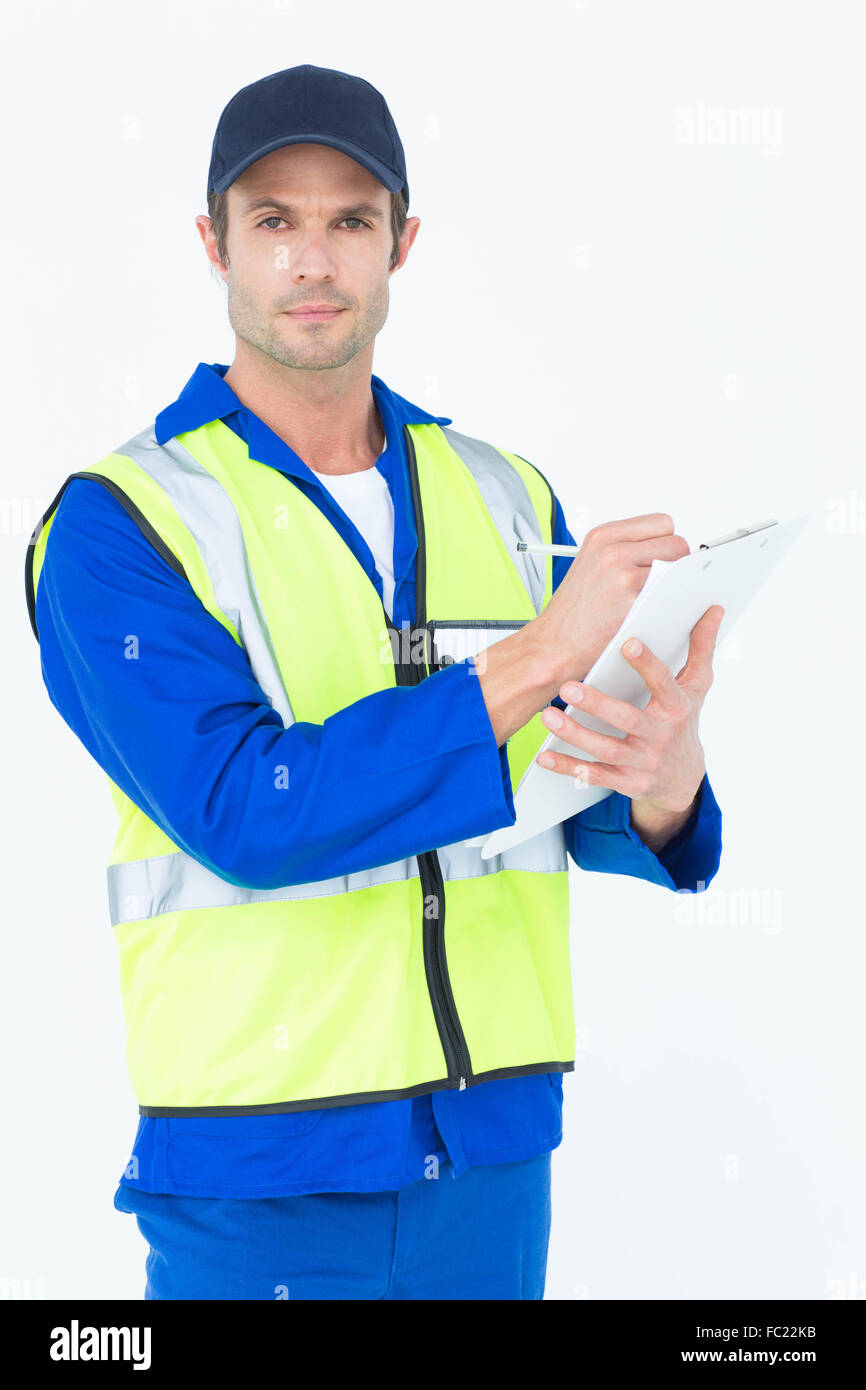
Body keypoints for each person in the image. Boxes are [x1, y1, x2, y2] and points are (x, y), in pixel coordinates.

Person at [25, 64, 723, 1301]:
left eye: (349, 220)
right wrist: (539, 653)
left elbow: (549, 797)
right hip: (258, 1177)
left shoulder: (504, 495)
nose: (313, 259)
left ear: (401, 241)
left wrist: (660, 784)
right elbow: (248, 809)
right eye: (274, 220)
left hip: (494, 1160)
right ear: (214, 243)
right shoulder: (119, 527)